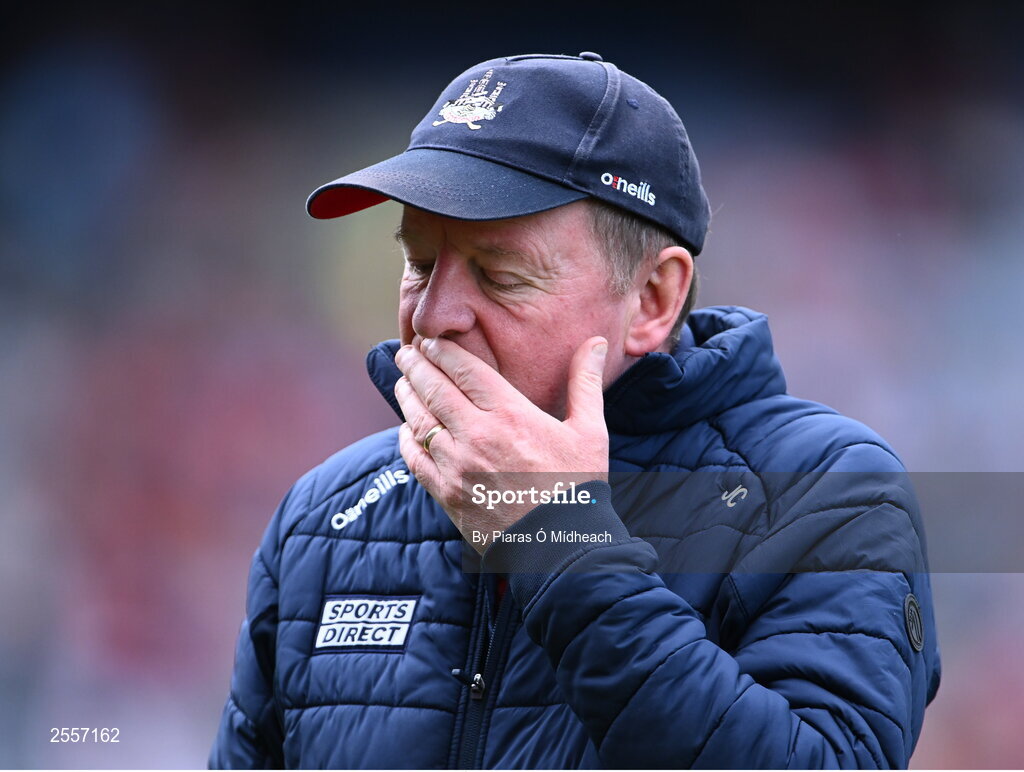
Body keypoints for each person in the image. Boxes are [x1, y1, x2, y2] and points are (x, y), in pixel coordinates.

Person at [210, 52, 940, 769]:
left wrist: (556, 539)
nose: (432, 316)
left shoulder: (827, 493)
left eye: (498, 274)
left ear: (651, 299)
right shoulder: (325, 515)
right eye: (420, 264)